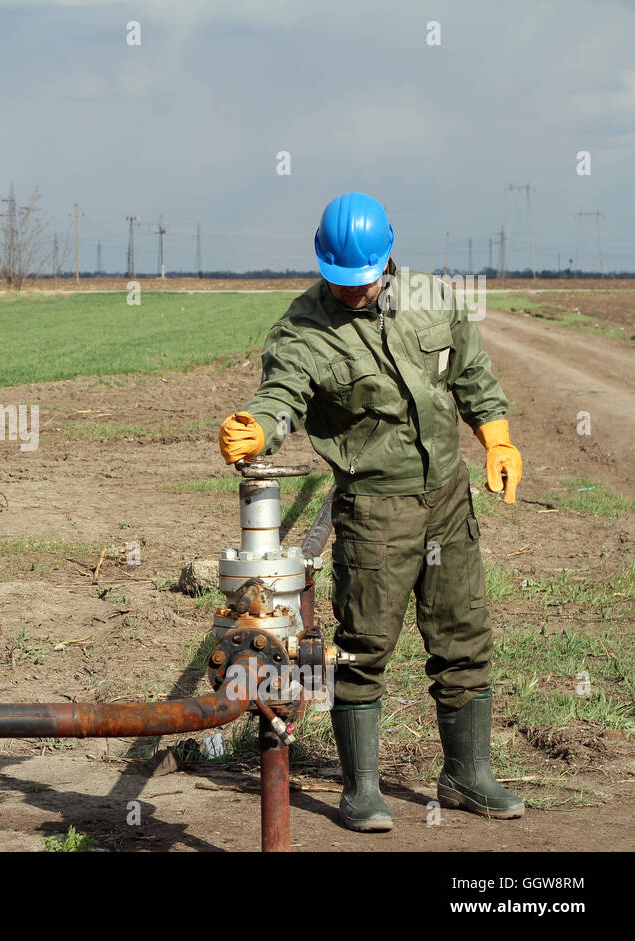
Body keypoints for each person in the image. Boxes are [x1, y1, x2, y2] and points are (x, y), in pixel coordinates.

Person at [217, 192, 524, 831]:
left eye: (364, 281)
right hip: (374, 511)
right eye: (340, 282)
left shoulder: (434, 300)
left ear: (388, 257)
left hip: (447, 500)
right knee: (363, 648)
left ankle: (468, 773)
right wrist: (259, 426)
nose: (353, 293)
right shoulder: (302, 328)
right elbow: (282, 396)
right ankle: (361, 788)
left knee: (463, 638)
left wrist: (496, 436)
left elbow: (471, 375)